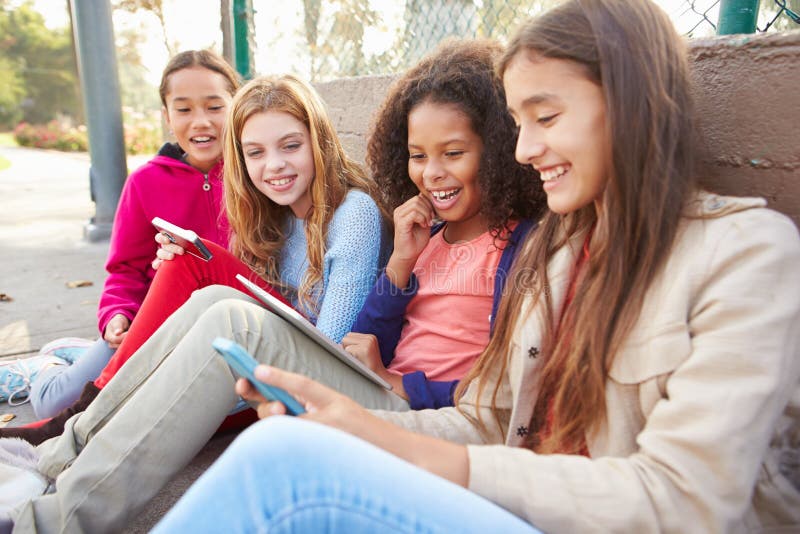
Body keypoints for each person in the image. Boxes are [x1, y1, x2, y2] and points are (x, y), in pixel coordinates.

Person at [152, 1, 800, 532]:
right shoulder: (559, 251)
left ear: (634, 104)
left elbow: (683, 503)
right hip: (510, 500)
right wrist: (352, 421)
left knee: (282, 472)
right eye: (518, 123)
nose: (524, 148)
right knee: (286, 447)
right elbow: (488, 417)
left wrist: (401, 442)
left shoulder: (748, 255)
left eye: (545, 117)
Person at [5, 41, 546, 533]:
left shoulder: (518, 249)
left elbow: (509, 392)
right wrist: (401, 265)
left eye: (453, 154)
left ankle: (50, 523)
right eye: (418, 156)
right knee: (216, 300)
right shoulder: (425, 233)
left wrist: (407, 386)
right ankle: (57, 459)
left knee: (232, 317)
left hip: (423, 414)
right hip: (379, 384)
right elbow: (369, 335)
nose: (432, 174)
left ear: (497, 151)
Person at [1, 73, 390, 446]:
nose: (274, 164)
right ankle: (83, 416)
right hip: (265, 363)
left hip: (314, 378)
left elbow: (331, 351)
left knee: (193, 261)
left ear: (318, 142)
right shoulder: (273, 215)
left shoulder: (353, 214)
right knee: (184, 265)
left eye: (291, 146)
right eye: (255, 152)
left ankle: (82, 413)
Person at [16, 50, 240, 419]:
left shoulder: (257, 174)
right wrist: (117, 314)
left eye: (214, 106)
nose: (200, 121)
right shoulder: (144, 183)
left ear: (236, 107)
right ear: (167, 117)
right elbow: (125, 270)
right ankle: (47, 369)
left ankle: (78, 352)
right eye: (183, 109)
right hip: (150, 325)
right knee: (58, 406)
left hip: (223, 328)